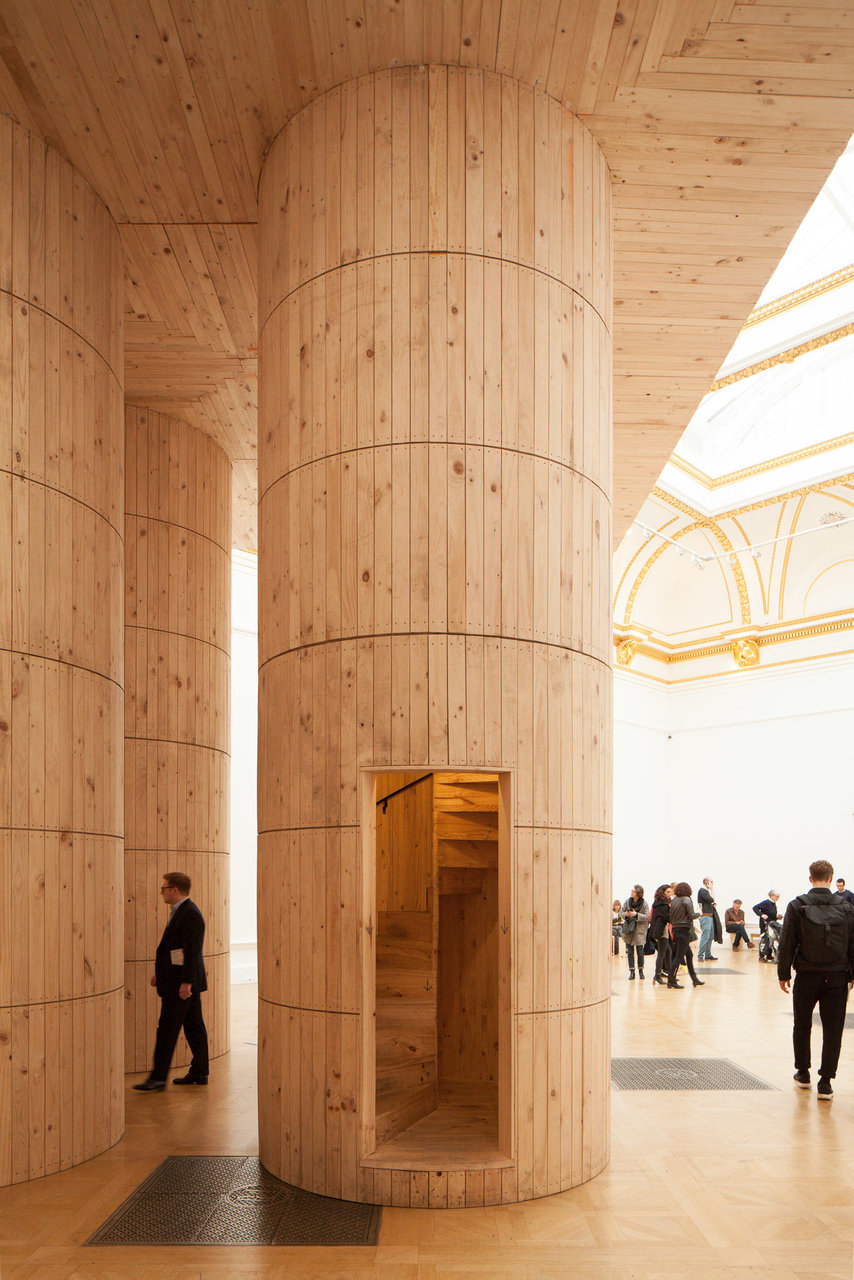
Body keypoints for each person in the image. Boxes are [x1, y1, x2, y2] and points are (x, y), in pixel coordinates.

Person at [778, 859, 854, 1101]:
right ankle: (826, 1082)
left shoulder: (796, 905)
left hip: (807, 975)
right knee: (833, 1029)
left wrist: (783, 973)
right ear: (831, 879)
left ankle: (803, 1072)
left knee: (802, 1024)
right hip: (837, 975)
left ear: (810, 878)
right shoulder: (846, 907)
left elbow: (787, 941)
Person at [133, 871, 210, 1091]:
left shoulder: (190, 914)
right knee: (194, 1027)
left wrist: (186, 983)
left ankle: (157, 1078)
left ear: (174, 890)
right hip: (178, 981)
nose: (162, 892)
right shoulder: (180, 911)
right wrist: (161, 973)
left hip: (181, 986)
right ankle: (199, 1072)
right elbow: (174, 951)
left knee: (166, 1029)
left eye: (164, 888)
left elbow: (192, 952)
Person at [668, 882, 703, 989]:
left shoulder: (674, 900)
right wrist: (699, 914)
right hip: (684, 930)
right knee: (678, 956)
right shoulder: (687, 899)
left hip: (675, 929)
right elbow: (692, 915)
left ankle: (694, 979)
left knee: (689, 955)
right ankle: (671, 980)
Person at [622, 885, 649, 980]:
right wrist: (625, 914)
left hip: (639, 931)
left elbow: (647, 917)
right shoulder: (627, 901)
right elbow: (621, 913)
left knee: (640, 952)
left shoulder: (644, 903)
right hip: (629, 930)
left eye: (633, 891)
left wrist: (636, 914)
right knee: (630, 952)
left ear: (638, 893)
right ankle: (632, 971)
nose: (631, 892)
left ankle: (641, 971)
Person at [648, 884, 672, 986]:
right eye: (668, 892)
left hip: (658, 931)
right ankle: (657, 975)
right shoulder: (663, 905)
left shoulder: (657, 903)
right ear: (663, 893)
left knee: (667, 951)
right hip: (662, 931)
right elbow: (667, 918)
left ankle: (664, 973)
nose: (670, 894)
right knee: (662, 954)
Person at [697, 877, 721, 962]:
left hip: (709, 916)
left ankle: (708, 954)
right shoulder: (702, 891)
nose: (712, 884)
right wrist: (712, 889)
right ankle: (700, 954)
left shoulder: (705, 892)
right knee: (706, 936)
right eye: (711, 882)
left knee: (710, 936)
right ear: (706, 882)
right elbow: (711, 899)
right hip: (705, 916)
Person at [753, 891, 780, 961]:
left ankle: (769, 955)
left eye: (778, 896)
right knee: (765, 938)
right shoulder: (766, 902)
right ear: (771, 895)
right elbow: (755, 908)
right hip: (764, 924)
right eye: (776, 896)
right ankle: (761, 956)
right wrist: (761, 914)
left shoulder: (773, 904)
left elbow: (771, 915)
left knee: (772, 938)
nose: (777, 898)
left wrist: (777, 917)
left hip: (771, 923)